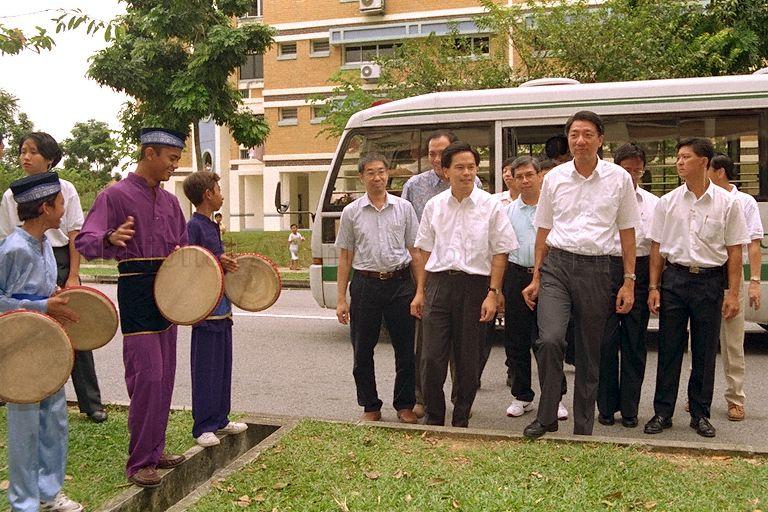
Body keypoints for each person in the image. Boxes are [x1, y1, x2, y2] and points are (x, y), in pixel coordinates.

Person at [75, 127, 189, 487]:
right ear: (150, 153)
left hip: (169, 292)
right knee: (147, 376)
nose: (174, 166)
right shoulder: (115, 195)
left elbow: (185, 249)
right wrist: (110, 238)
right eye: (171, 159)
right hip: (137, 288)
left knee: (166, 376)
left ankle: (155, 450)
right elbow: (85, 239)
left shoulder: (171, 202)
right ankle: (139, 462)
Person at [522, 111, 640, 438]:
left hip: (599, 269)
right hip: (557, 266)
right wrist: (536, 277)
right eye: (574, 134)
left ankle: (583, 428)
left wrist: (628, 282)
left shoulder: (618, 179)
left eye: (588, 134)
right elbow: (543, 229)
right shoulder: (555, 178)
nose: (580, 140)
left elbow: (628, 232)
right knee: (549, 339)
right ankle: (546, 416)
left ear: (600, 139)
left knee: (590, 352)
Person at [0, 132, 107, 424]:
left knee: (73, 330)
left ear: (49, 158)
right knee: (22, 329)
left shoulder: (66, 189)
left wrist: (73, 275)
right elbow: (9, 239)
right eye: (22, 151)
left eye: (33, 152)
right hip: (24, 261)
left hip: (58, 258)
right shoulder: (12, 195)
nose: (25, 157)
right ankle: (14, 387)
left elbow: (74, 233)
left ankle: (90, 401)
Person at [644, 138, 748, 439]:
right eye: (677, 156)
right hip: (675, 279)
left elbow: (734, 250)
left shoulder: (728, 203)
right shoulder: (668, 202)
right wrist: (654, 287)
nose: (679, 162)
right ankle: (663, 412)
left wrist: (732, 292)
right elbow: (657, 249)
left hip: (709, 281)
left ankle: (700, 414)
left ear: (704, 162)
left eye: (685, 157)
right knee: (669, 348)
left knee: (704, 350)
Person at [411, 141, 518, 428]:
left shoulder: (491, 206)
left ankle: (461, 418)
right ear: (445, 171)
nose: (466, 173)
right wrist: (421, 291)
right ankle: (435, 417)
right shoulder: (434, 206)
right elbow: (424, 252)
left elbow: (500, 252)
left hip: (476, 288)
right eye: (459, 167)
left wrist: (493, 293)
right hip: (438, 286)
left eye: (471, 167)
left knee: (468, 360)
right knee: (431, 358)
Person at [1, 172, 84, 512]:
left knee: (54, 417)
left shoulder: (46, 244)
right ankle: (23, 502)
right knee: (24, 425)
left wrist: (56, 297)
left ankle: (49, 492)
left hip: (49, 341)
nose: (64, 209)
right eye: (61, 203)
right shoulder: (12, 248)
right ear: (45, 207)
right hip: (20, 345)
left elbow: (43, 287)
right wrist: (41, 306)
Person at [401, 130, 483, 418]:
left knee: (464, 352)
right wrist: (420, 288)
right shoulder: (415, 186)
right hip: (432, 276)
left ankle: (462, 405)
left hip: (469, 279)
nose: (436, 159)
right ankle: (426, 401)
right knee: (429, 350)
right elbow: (416, 241)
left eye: (442, 153)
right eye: (432, 153)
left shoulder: (476, 189)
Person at [335, 154, 421, 424]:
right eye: (371, 173)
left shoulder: (404, 208)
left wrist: (420, 291)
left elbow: (415, 251)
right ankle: (370, 406)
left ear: (388, 174)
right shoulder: (351, 212)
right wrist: (341, 299)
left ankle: (404, 404)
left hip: (400, 283)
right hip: (365, 284)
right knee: (362, 350)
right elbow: (345, 256)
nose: (377, 177)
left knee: (406, 350)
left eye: (382, 172)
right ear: (361, 177)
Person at [182, 171, 248, 447]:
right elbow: (191, 263)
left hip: (223, 306)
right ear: (208, 194)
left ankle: (220, 418)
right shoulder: (193, 226)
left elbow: (215, 261)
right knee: (206, 366)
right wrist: (217, 261)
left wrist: (224, 262)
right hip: (205, 308)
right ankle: (203, 426)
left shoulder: (211, 225)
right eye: (218, 190)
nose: (221, 194)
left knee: (222, 364)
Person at [500, 156, 568, 420]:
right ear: (513, 180)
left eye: (530, 174)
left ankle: (555, 397)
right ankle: (522, 396)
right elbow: (501, 250)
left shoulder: (554, 208)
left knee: (549, 339)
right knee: (515, 339)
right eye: (520, 177)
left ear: (540, 176)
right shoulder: (507, 211)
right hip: (516, 275)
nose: (525, 181)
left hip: (550, 276)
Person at [597, 143, 659, 428]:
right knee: (606, 341)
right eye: (627, 169)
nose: (632, 175)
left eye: (637, 170)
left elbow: (655, 245)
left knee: (635, 341)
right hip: (608, 269)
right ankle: (607, 406)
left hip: (642, 271)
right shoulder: (604, 198)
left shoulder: (653, 203)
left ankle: (631, 408)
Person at [707, 154, 763, 422]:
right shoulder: (701, 198)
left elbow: (753, 244)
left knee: (732, 341)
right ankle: (698, 394)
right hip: (707, 277)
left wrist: (753, 282)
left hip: (733, 278)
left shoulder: (744, 202)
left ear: (718, 172)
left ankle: (735, 398)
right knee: (701, 340)